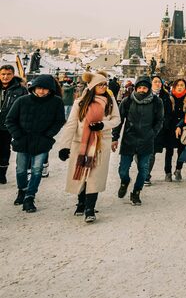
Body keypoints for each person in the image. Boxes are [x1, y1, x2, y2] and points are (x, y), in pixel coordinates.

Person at [57, 72, 122, 223]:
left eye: (105, 84)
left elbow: (117, 120)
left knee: (94, 176)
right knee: (82, 174)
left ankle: (90, 209)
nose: (104, 87)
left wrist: (103, 125)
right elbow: (72, 124)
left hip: (100, 143)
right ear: (92, 86)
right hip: (81, 143)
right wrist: (64, 146)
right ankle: (81, 203)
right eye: (100, 84)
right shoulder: (80, 102)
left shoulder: (110, 101)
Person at [5, 74, 66, 212]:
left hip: (42, 141)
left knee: (37, 170)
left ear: (50, 90)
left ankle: (30, 197)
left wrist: (48, 135)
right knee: (21, 169)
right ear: (34, 88)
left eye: (45, 89)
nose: (41, 91)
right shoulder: (22, 100)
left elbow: (59, 121)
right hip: (23, 140)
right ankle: (22, 190)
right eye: (39, 88)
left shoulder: (56, 102)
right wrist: (18, 135)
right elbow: (10, 120)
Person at [112, 76, 163, 205]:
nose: (141, 90)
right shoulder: (127, 101)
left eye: (144, 87)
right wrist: (115, 137)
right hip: (129, 139)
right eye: (139, 87)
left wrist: (152, 133)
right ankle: (125, 181)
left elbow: (159, 121)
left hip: (146, 139)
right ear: (135, 88)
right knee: (123, 169)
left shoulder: (157, 102)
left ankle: (136, 192)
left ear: (149, 89)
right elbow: (119, 120)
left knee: (143, 169)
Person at [0, 64, 30, 184]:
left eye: (8, 74)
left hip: (7, 125)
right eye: (3, 74)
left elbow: (25, 109)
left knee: (4, 149)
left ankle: (2, 174)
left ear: (13, 75)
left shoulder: (20, 90)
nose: (5, 77)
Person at [149, 75, 179, 182]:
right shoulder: (146, 95)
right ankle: (146, 173)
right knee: (148, 152)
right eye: (155, 82)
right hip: (147, 128)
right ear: (151, 83)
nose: (158, 84)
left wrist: (165, 124)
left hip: (162, 128)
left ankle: (150, 174)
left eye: (159, 82)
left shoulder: (166, 96)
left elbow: (169, 113)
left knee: (156, 151)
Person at [169, 78, 186, 180]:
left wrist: (180, 126)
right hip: (170, 127)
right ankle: (167, 172)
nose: (180, 87)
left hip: (183, 127)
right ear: (174, 87)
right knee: (169, 150)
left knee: (181, 150)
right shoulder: (170, 98)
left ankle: (178, 169)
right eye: (178, 85)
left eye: (182, 85)